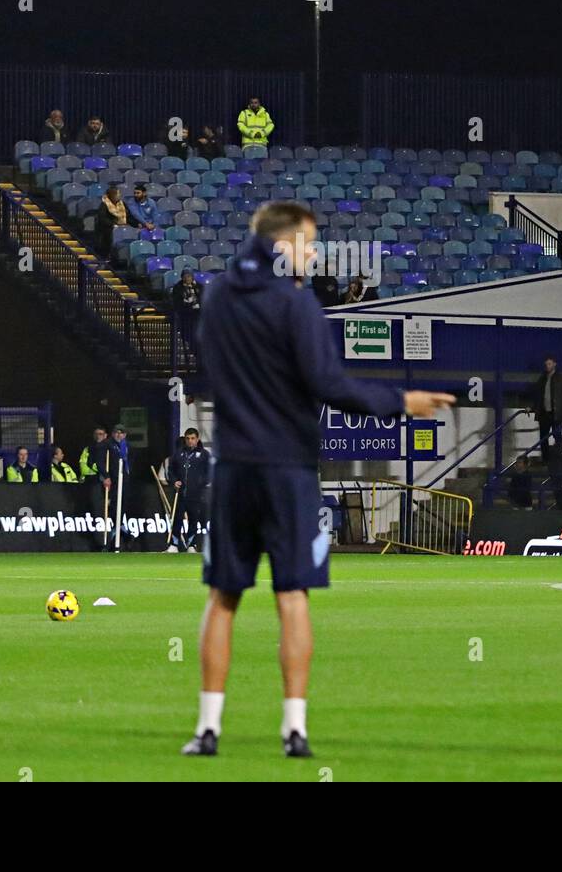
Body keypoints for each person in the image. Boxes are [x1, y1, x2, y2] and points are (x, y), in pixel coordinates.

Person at [183, 201, 453, 758]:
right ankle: (294, 730)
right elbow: (330, 384)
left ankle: (208, 728)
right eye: (309, 244)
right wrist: (403, 401)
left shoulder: (218, 296)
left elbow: (211, 363)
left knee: (223, 597)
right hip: (287, 469)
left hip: (232, 465)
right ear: (284, 245)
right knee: (293, 595)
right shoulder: (297, 303)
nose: (314, 254)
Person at [165, 427, 211, 553]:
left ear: (197, 439)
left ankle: (192, 545)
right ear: (185, 439)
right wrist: (174, 481)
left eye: (192, 438)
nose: (190, 441)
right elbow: (171, 471)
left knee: (194, 519)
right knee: (177, 519)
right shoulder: (178, 454)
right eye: (188, 438)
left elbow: (210, 472)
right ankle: (174, 544)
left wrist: (200, 483)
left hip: (195, 494)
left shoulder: (204, 454)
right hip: (180, 493)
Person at [533, 356, 562, 452]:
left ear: (554, 364)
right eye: (546, 364)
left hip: (557, 413)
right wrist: (534, 407)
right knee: (543, 438)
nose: (547, 366)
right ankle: (546, 459)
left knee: (557, 436)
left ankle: (558, 458)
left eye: (549, 364)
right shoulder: (542, 378)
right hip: (545, 412)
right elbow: (538, 395)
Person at [171, 268, 202, 354]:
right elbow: (177, 303)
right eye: (185, 276)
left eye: (189, 276)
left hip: (198, 314)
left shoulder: (199, 287)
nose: (187, 278)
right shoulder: (178, 288)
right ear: (182, 277)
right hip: (186, 316)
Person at [93, 188, 129, 256]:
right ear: (113, 195)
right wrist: (113, 224)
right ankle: (109, 254)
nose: (119, 195)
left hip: (120, 226)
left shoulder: (122, 204)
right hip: (107, 228)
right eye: (118, 194)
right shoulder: (104, 205)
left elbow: (128, 214)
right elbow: (102, 219)